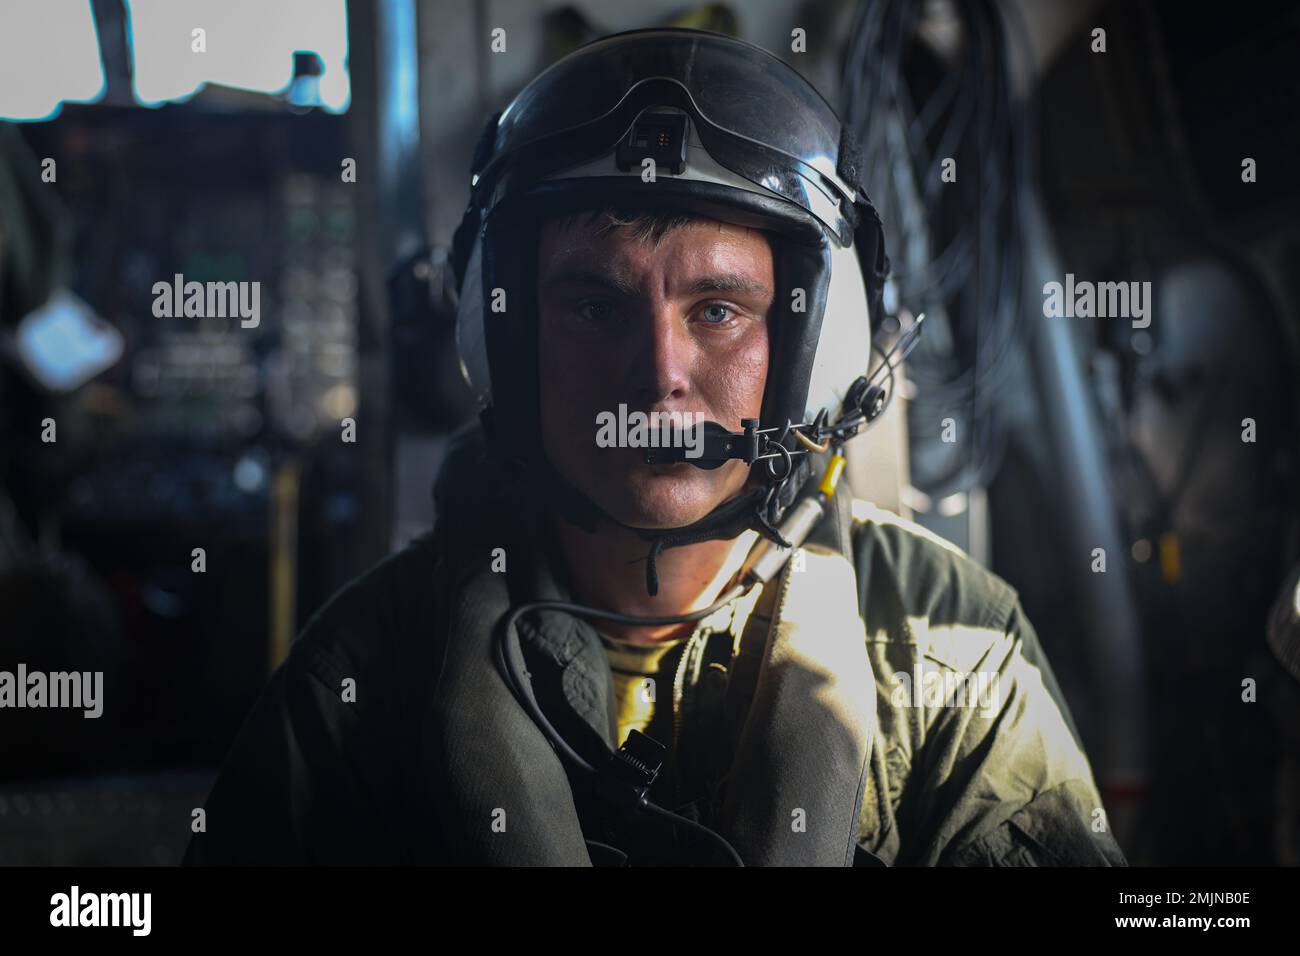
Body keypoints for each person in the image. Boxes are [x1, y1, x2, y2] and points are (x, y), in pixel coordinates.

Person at [184, 27, 1126, 867]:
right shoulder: (358, 670)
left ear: (819, 348)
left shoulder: (948, 643)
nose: (658, 375)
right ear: (499, 338)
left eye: (718, 311)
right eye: (595, 308)